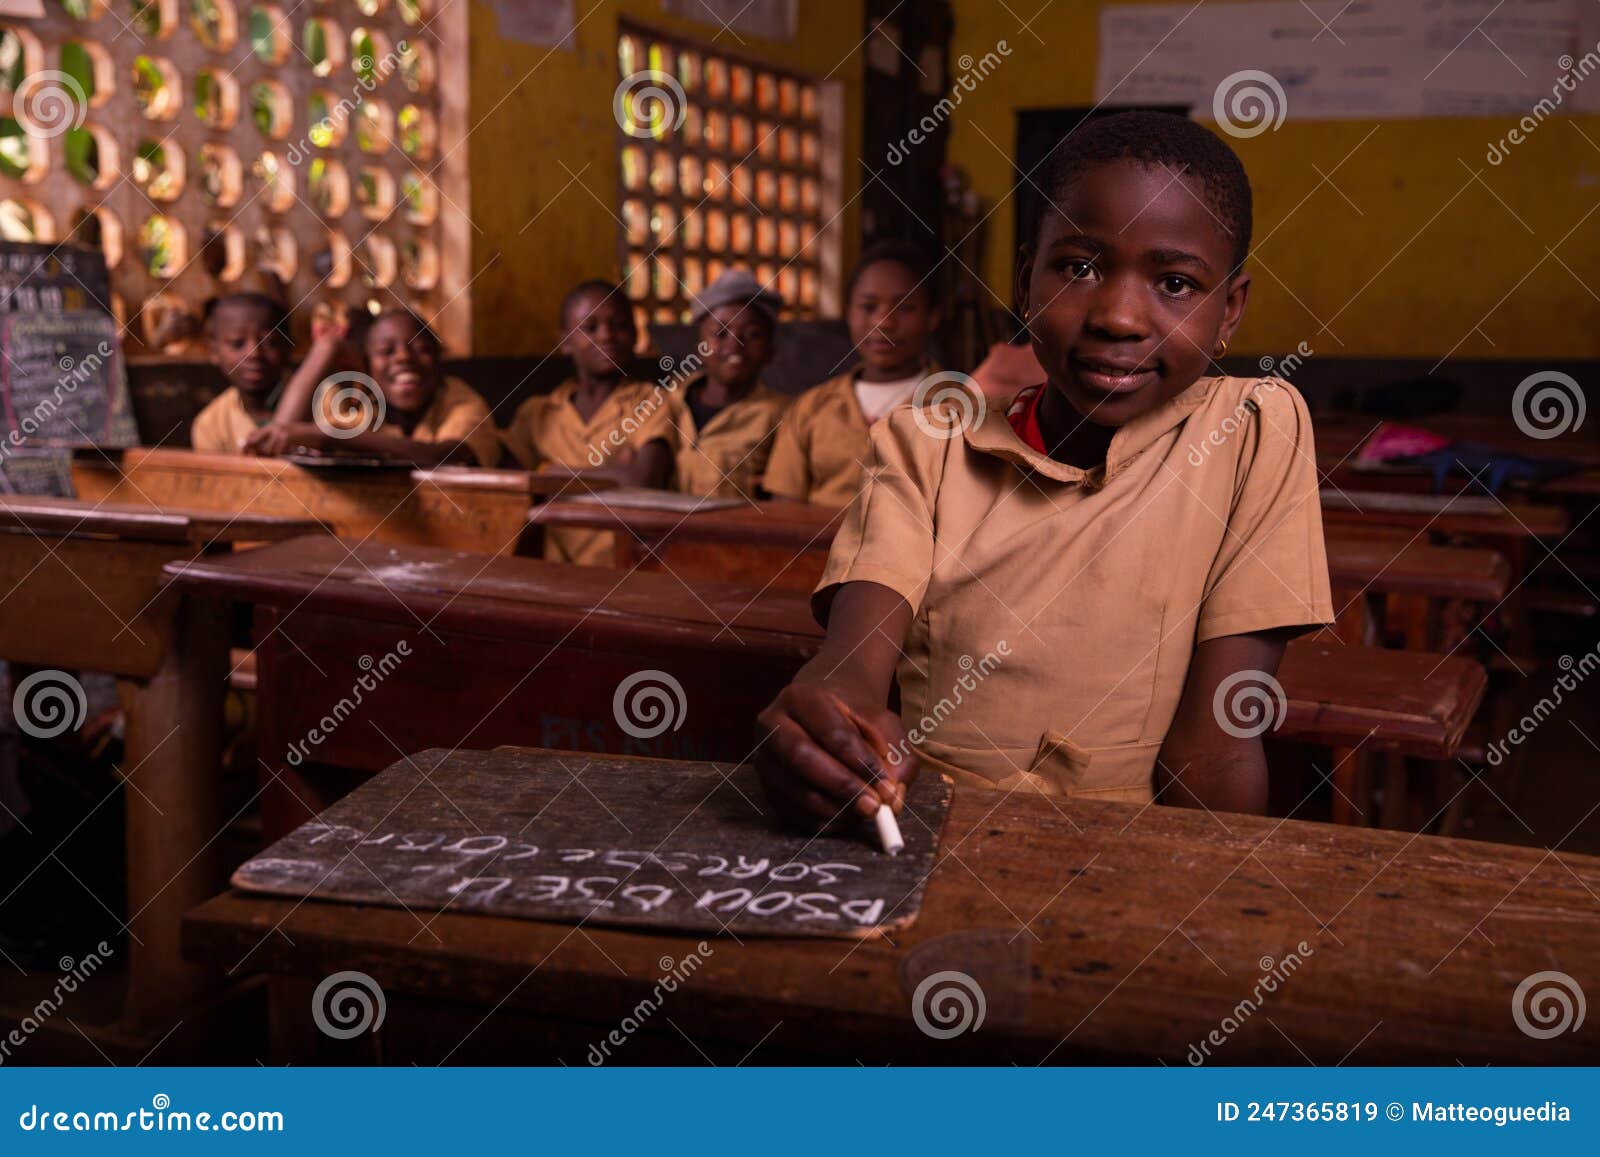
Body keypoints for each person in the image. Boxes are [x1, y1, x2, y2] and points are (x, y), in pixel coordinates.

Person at [755, 110, 1334, 829]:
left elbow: (1212, 751)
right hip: (926, 833)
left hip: (1139, 851)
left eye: (1176, 284)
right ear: (1027, 284)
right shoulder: (927, 440)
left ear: (1230, 311)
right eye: (1079, 267)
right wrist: (830, 721)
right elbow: (852, 668)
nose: (1120, 316)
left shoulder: (1250, 432)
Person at [762, 242, 941, 506]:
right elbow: (784, 512)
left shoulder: (959, 406)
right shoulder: (810, 408)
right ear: (848, 314)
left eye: (904, 308)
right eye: (869, 307)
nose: (884, 322)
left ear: (932, 318)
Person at [668, 269, 790, 499]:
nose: (735, 344)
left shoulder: (784, 417)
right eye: (720, 332)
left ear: (770, 351)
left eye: (753, 334)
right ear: (699, 345)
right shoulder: (669, 401)